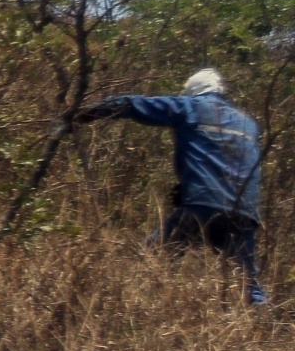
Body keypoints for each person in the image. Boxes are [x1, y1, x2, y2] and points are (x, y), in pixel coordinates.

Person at [77, 68, 267, 305]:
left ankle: (139, 310)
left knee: (152, 256)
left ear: (193, 91)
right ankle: (264, 322)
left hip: (203, 207)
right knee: (248, 284)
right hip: (244, 214)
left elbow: (132, 105)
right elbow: (227, 163)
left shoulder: (190, 107)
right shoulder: (248, 124)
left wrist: (85, 112)